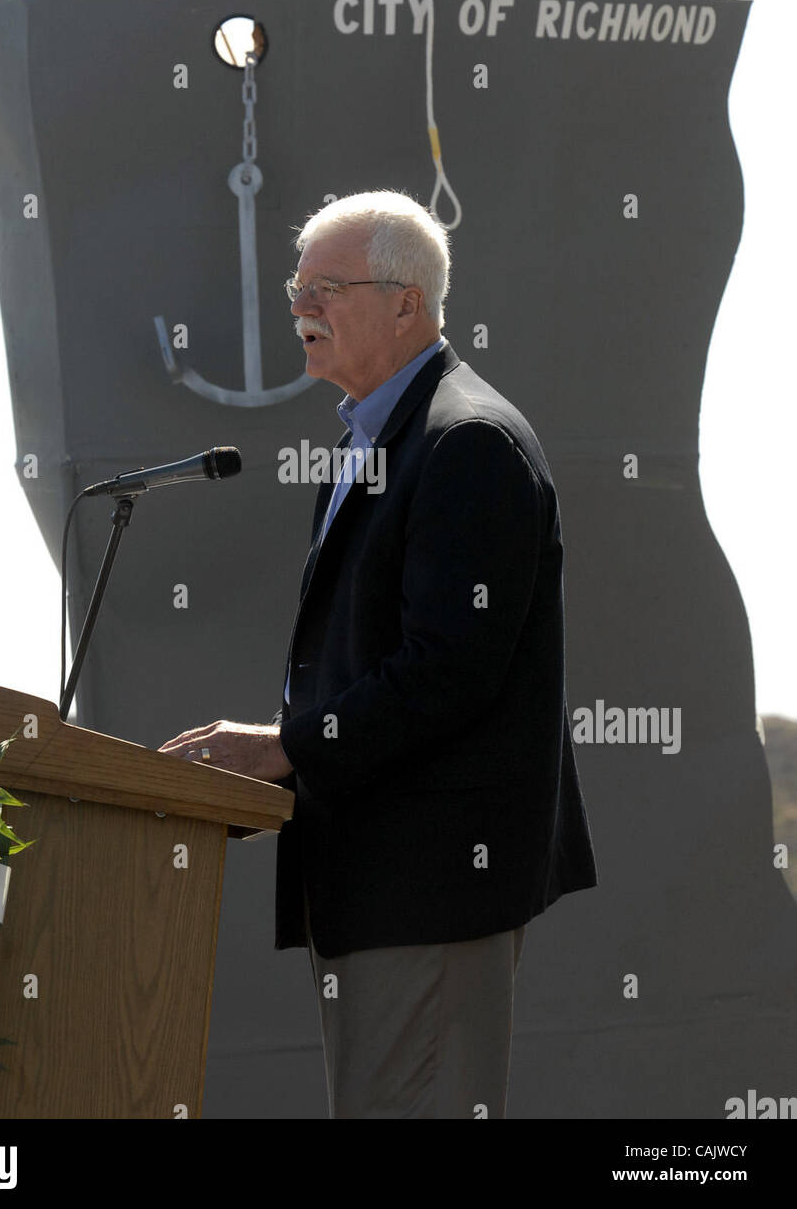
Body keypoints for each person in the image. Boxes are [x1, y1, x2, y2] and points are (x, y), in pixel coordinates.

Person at [161, 189, 597, 1119]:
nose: (299, 309)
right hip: (375, 878)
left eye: (327, 288)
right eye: (296, 286)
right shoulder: (379, 441)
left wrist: (286, 745)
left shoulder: (465, 442)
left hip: (433, 884)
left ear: (409, 304)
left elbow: (451, 669)